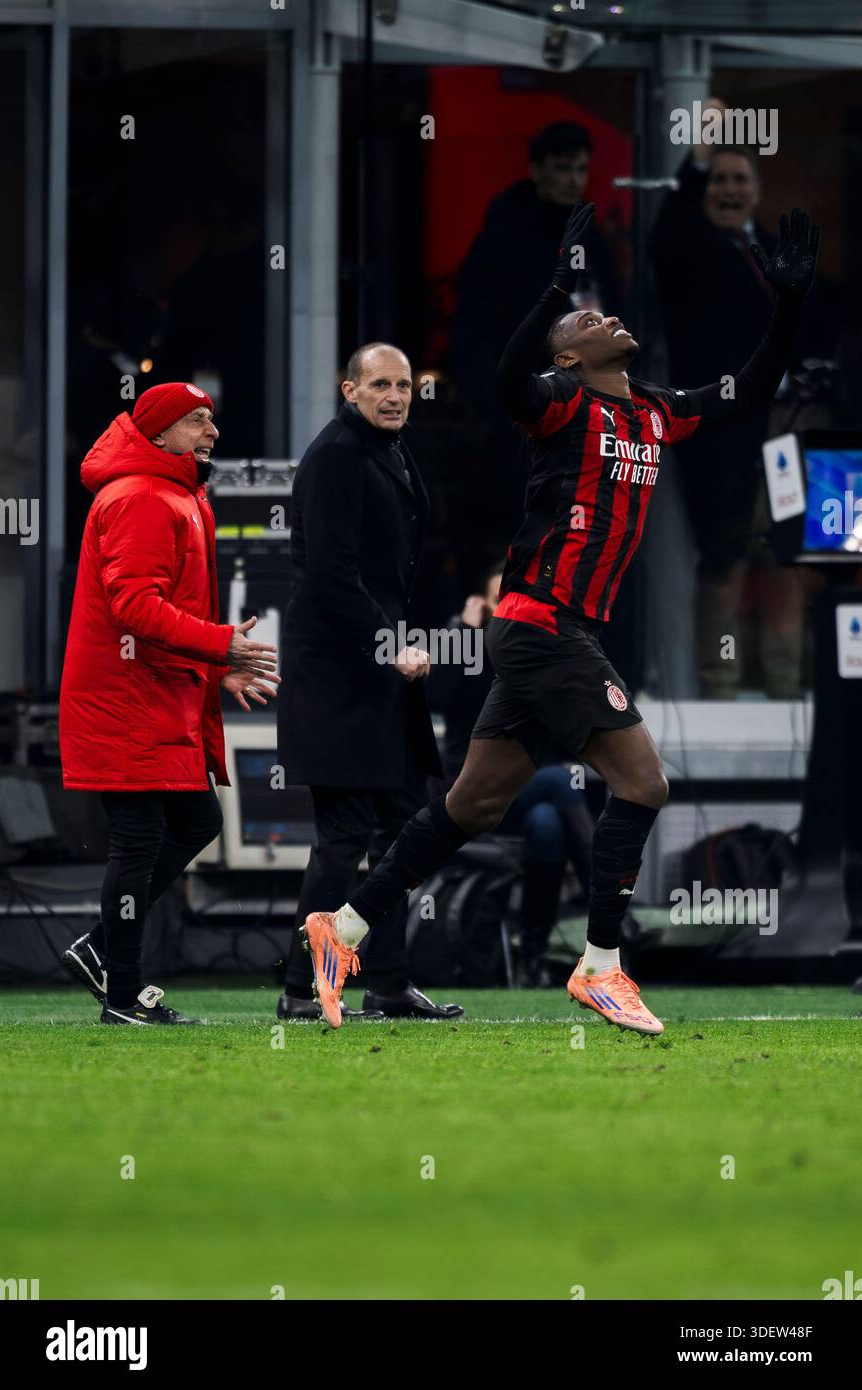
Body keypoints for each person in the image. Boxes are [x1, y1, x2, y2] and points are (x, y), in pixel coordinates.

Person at [299, 201, 820, 1033]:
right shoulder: (559, 402)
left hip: (553, 632)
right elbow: (505, 378)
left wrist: (788, 302)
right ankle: (602, 966)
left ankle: (343, 926)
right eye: (591, 317)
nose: (609, 314)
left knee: (470, 807)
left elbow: (752, 390)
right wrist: (553, 291)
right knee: (645, 782)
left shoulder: (652, 407)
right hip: (545, 623)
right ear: (571, 355)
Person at [59, 383, 279, 1025]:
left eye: (212, 418)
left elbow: (157, 611)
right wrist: (220, 647)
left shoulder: (168, 493)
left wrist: (214, 673)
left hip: (151, 696)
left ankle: (102, 953)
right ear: (158, 434)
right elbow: (135, 607)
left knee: (193, 822)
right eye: (196, 421)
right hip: (126, 701)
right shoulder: (141, 497)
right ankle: (122, 996)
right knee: (138, 839)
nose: (212, 431)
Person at [276, 343, 463, 1022]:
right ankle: (299, 989)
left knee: (401, 830)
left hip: (382, 672)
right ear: (348, 389)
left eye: (404, 384)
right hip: (338, 676)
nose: (394, 394)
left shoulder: (392, 449)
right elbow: (331, 575)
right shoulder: (335, 457)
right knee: (344, 836)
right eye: (379, 383)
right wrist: (389, 643)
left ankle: (386, 982)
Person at [650, 117, 805, 697]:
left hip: (784, 434)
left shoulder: (773, 249)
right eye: (718, 180)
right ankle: (719, 690)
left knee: (786, 561)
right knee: (724, 562)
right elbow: (666, 237)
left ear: (758, 189)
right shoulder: (689, 252)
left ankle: (789, 691)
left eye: (740, 179)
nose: (730, 189)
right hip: (723, 438)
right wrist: (693, 166)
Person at [451, 121, 623, 548]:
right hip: (525, 423)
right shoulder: (502, 240)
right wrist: (504, 412)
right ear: (538, 169)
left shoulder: (592, 240)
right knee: (525, 542)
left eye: (582, 169)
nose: (574, 180)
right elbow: (471, 337)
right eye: (563, 168)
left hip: (588, 420)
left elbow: (616, 316)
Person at [429, 563, 595, 984]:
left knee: (547, 825)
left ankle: (533, 954)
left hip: (523, 798)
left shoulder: (538, 655)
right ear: (486, 608)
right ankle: (609, 910)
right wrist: (463, 631)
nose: (509, 610)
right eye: (500, 601)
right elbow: (434, 693)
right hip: (470, 791)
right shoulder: (470, 649)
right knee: (559, 781)